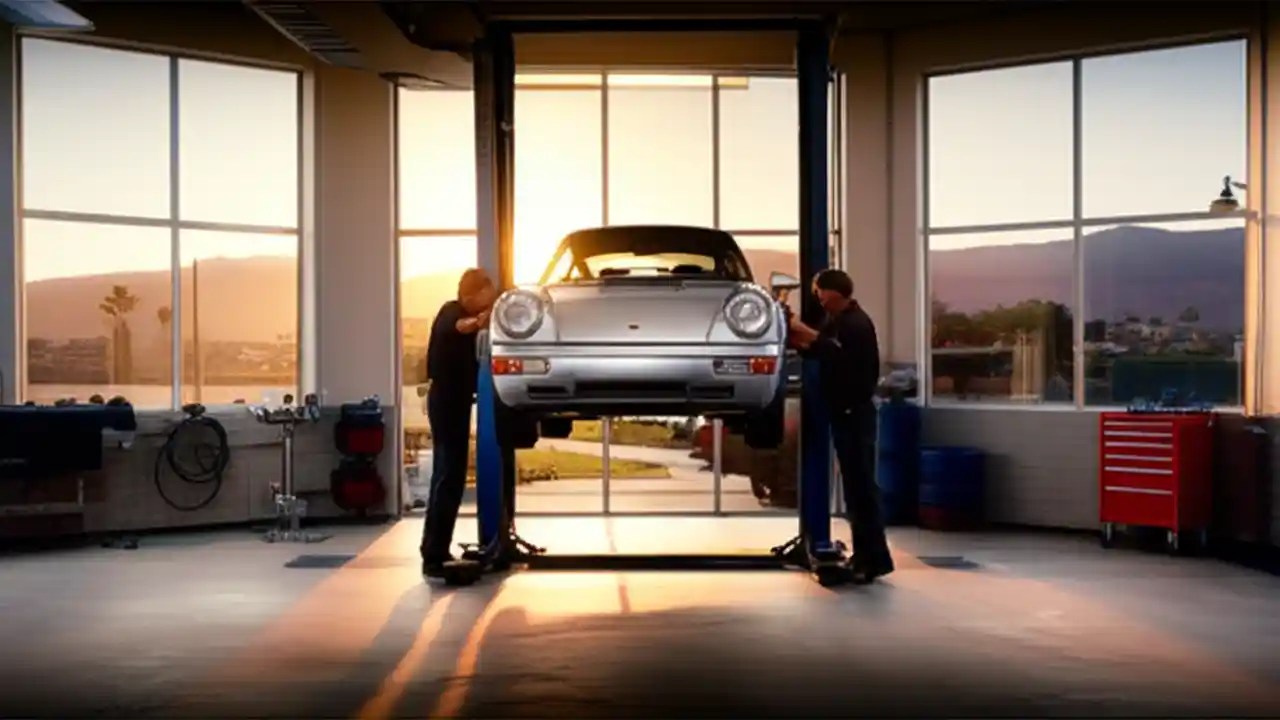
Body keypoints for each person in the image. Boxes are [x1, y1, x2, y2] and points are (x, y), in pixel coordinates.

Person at [785, 268, 894, 584]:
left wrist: (798, 330)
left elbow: (830, 352)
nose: (817, 297)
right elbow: (819, 348)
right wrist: (796, 333)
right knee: (857, 490)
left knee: (861, 490)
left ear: (832, 292)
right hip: (847, 414)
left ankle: (872, 559)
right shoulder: (840, 322)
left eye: (819, 291)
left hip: (854, 415)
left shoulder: (854, 325)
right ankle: (868, 557)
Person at [419, 268, 508, 578]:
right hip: (445, 401)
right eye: (488, 294)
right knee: (447, 474)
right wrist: (487, 317)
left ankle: (437, 548)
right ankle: (433, 552)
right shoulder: (451, 311)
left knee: (453, 475)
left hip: (457, 402)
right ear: (474, 293)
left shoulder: (463, 313)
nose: (491, 299)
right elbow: (462, 327)